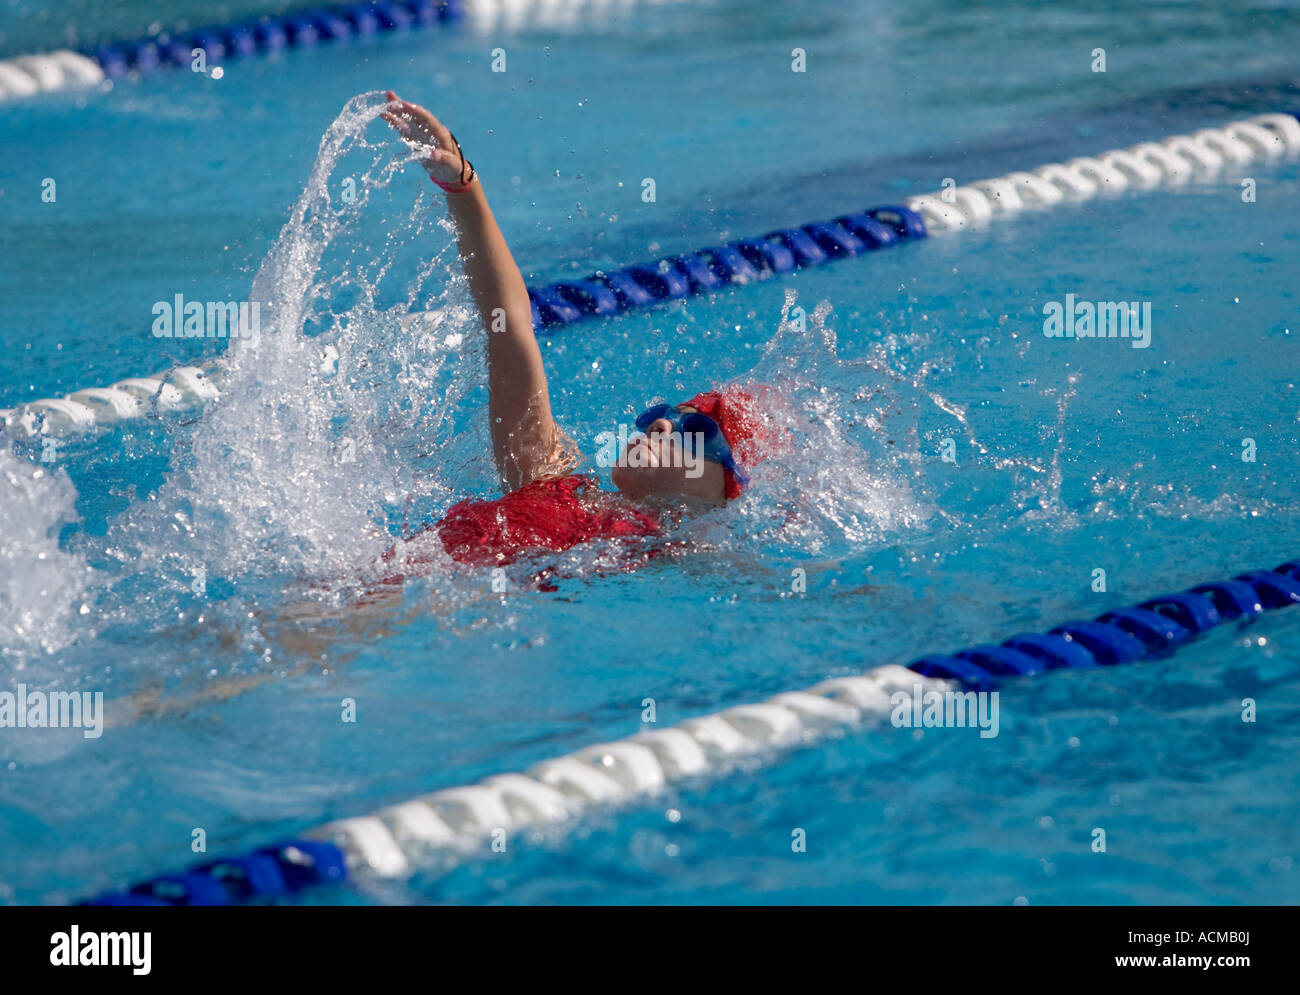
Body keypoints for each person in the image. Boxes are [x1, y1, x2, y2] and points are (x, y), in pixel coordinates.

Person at [381, 92, 778, 570]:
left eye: (694, 430)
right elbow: (508, 323)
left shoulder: (670, 555)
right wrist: (464, 186)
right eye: (666, 416)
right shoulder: (549, 476)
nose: (659, 425)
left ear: (727, 485)